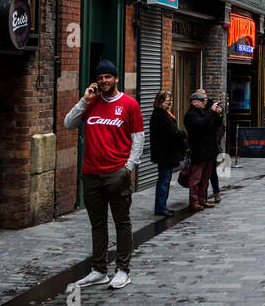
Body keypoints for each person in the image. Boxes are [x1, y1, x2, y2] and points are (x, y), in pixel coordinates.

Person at [64, 59, 144, 290]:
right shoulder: (91, 103)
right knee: (97, 224)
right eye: (100, 78)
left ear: (116, 78)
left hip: (116, 173)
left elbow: (138, 139)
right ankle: (99, 270)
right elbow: (68, 123)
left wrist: (128, 168)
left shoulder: (129, 105)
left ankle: (122, 270)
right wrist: (84, 100)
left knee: (122, 223)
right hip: (91, 174)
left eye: (108, 77)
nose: (104, 81)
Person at [183, 90, 223, 211]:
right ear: (194, 102)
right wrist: (211, 112)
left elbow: (213, 126)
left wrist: (218, 115)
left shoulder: (203, 112)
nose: (204, 102)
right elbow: (201, 124)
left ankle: (202, 199)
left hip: (209, 151)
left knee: (205, 179)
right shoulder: (191, 115)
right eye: (202, 101)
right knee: (196, 179)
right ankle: (194, 201)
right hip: (199, 151)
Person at [148, 90, 186, 217]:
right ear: (160, 102)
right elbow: (172, 133)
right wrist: (183, 134)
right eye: (167, 101)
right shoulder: (161, 116)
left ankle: (162, 206)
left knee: (165, 180)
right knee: (164, 180)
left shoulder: (163, 114)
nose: (169, 104)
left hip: (165, 153)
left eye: (170, 101)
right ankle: (160, 207)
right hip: (164, 154)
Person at [207, 96, 226, 204]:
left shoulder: (212, 107)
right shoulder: (201, 111)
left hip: (213, 146)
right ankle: (201, 195)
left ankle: (216, 192)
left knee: (213, 171)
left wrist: (216, 139)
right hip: (203, 147)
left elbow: (221, 127)